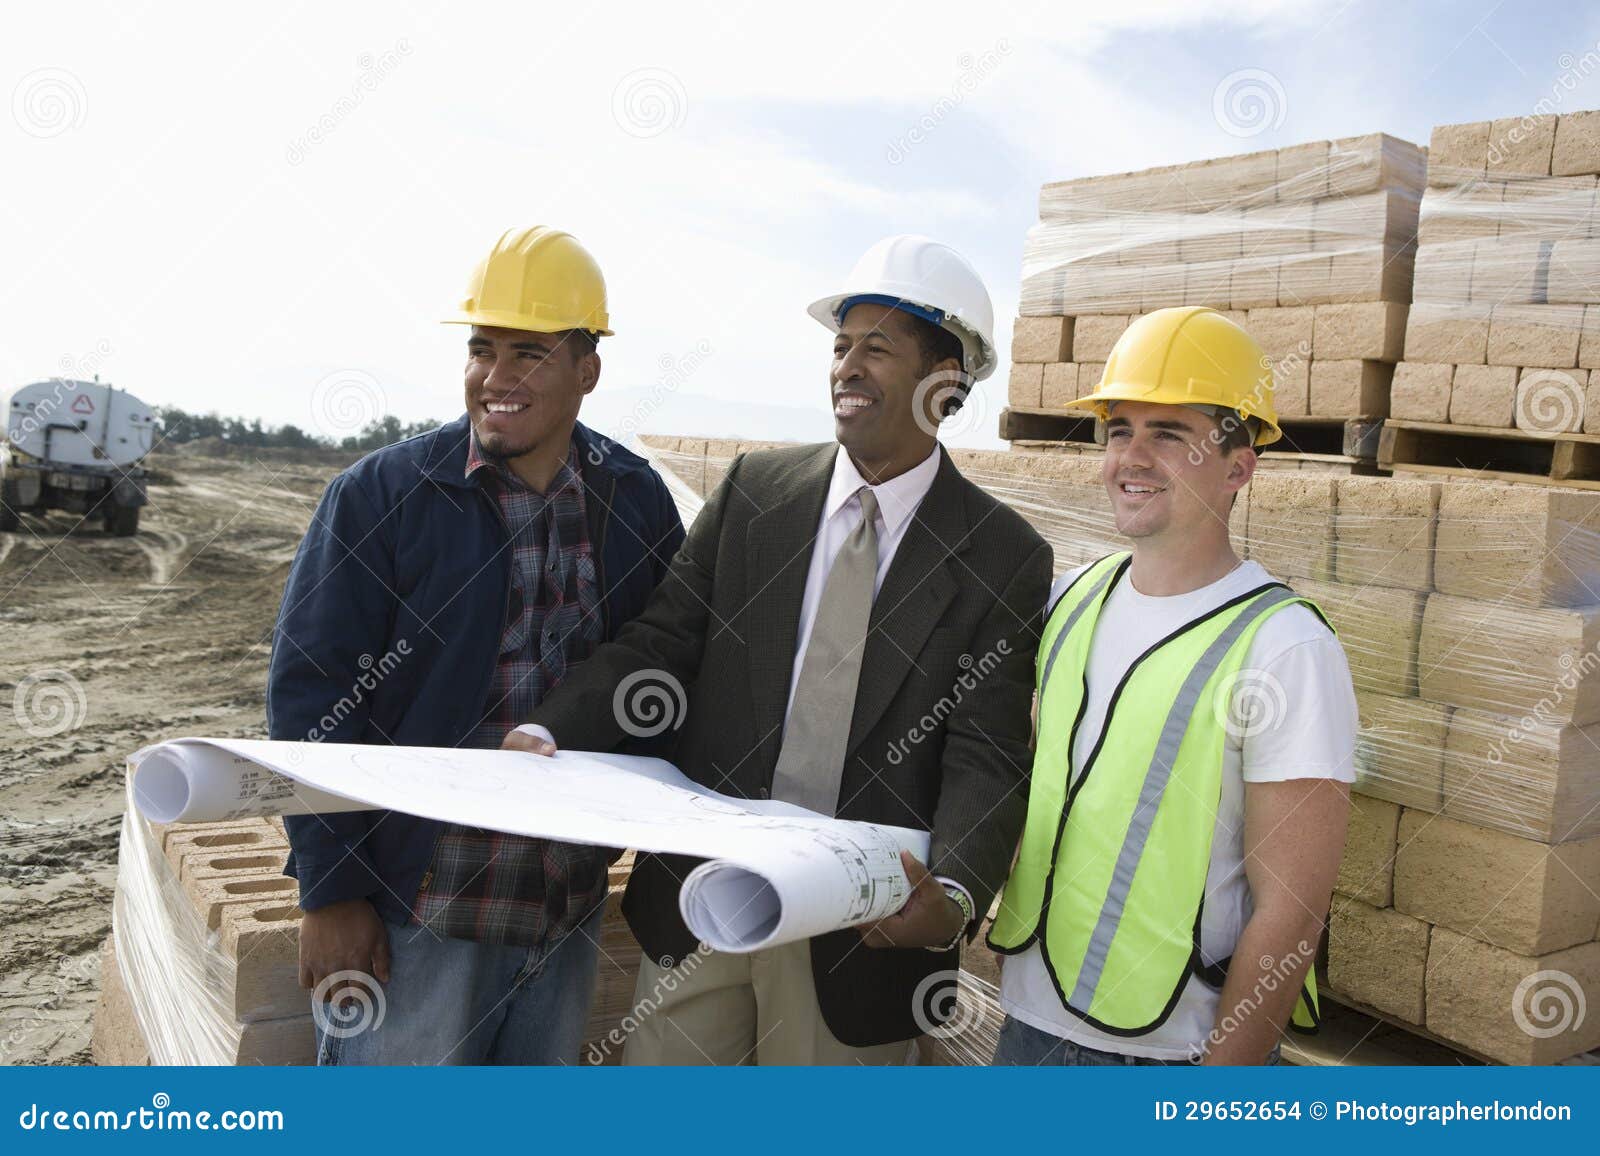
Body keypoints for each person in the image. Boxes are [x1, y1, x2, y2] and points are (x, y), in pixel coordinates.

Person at [505, 235, 1051, 1064]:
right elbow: (663, 642)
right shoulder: (756, 496)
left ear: (948, 381)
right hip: (705, 899)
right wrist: (552, 729)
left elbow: (989, 747)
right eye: (840, 346)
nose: (847, 367)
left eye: (878, 348)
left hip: (863, 932)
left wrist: (954, 890)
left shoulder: (1001, 554)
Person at [267, 226, 685, 1064]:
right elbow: (312, 696)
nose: (496, 378)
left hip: (562, 906)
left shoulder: (633, 500)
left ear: (587, 371)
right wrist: (331, 889)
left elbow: (667, 666)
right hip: (416, 905)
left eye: (529, 353)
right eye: (482, 349)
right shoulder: (384, 496)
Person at [988, 305, 1355, 1066]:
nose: (1133, 456)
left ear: (1238, 467)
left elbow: (1292, 913)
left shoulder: (1285, 647)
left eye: (1171, 434)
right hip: (1027, 1023)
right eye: (1121, 429)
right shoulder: (1072, 599)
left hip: (1164, 1053)